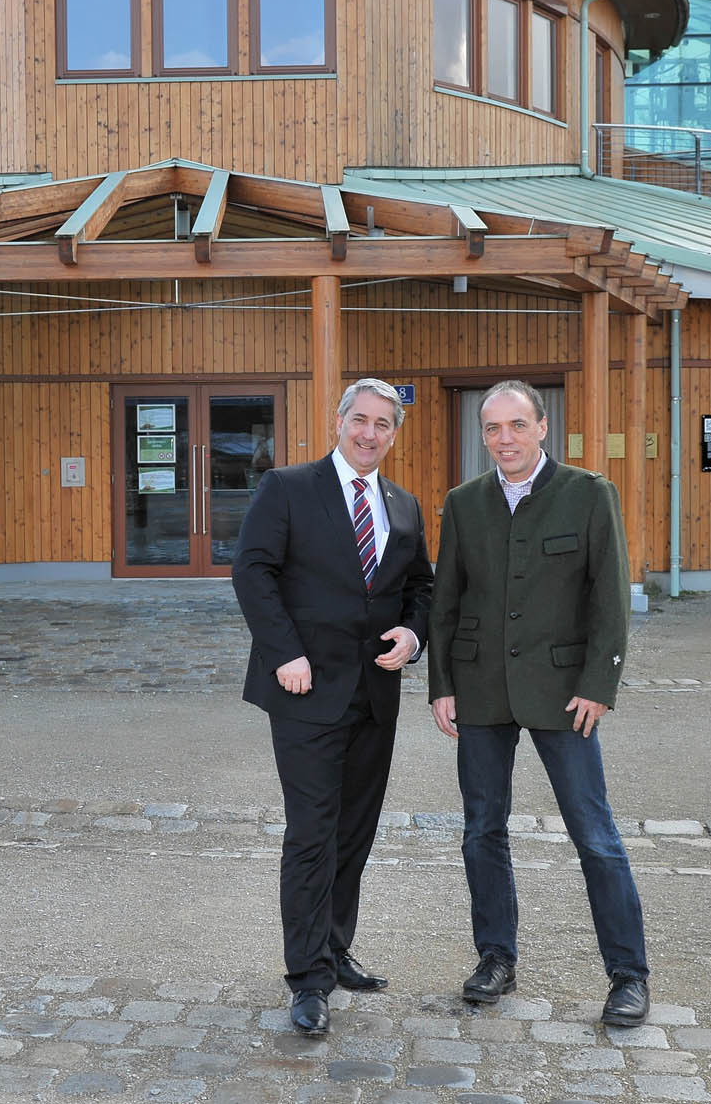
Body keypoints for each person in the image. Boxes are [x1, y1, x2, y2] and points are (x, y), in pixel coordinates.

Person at [426, 379, 651, 1027]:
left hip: (564, 693)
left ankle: (629, 975)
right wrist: (442, 684)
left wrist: (599, 684)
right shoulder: (464, 503)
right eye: (492, 428)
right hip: (481, 689)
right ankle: (496, 957)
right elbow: (446, 602)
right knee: (482, 831)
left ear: (543, 428)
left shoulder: (588, 494)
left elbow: (609, 599)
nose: (505, 440)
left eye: (517, 425)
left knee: (595, 835)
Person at [232, 378, 435, 1037]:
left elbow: (421, 588)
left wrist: (413, 635)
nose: (369, 433)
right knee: (313, 833)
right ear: (339, 421)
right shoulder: (288, 487)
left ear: (394, 435)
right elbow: (252, 571)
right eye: (360, 420)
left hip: (375, 696)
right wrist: (284, 652)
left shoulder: (403, 506)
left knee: (354, 832)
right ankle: (308, 977)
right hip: (304, 691)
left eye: (383, 424)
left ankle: (335, 948)